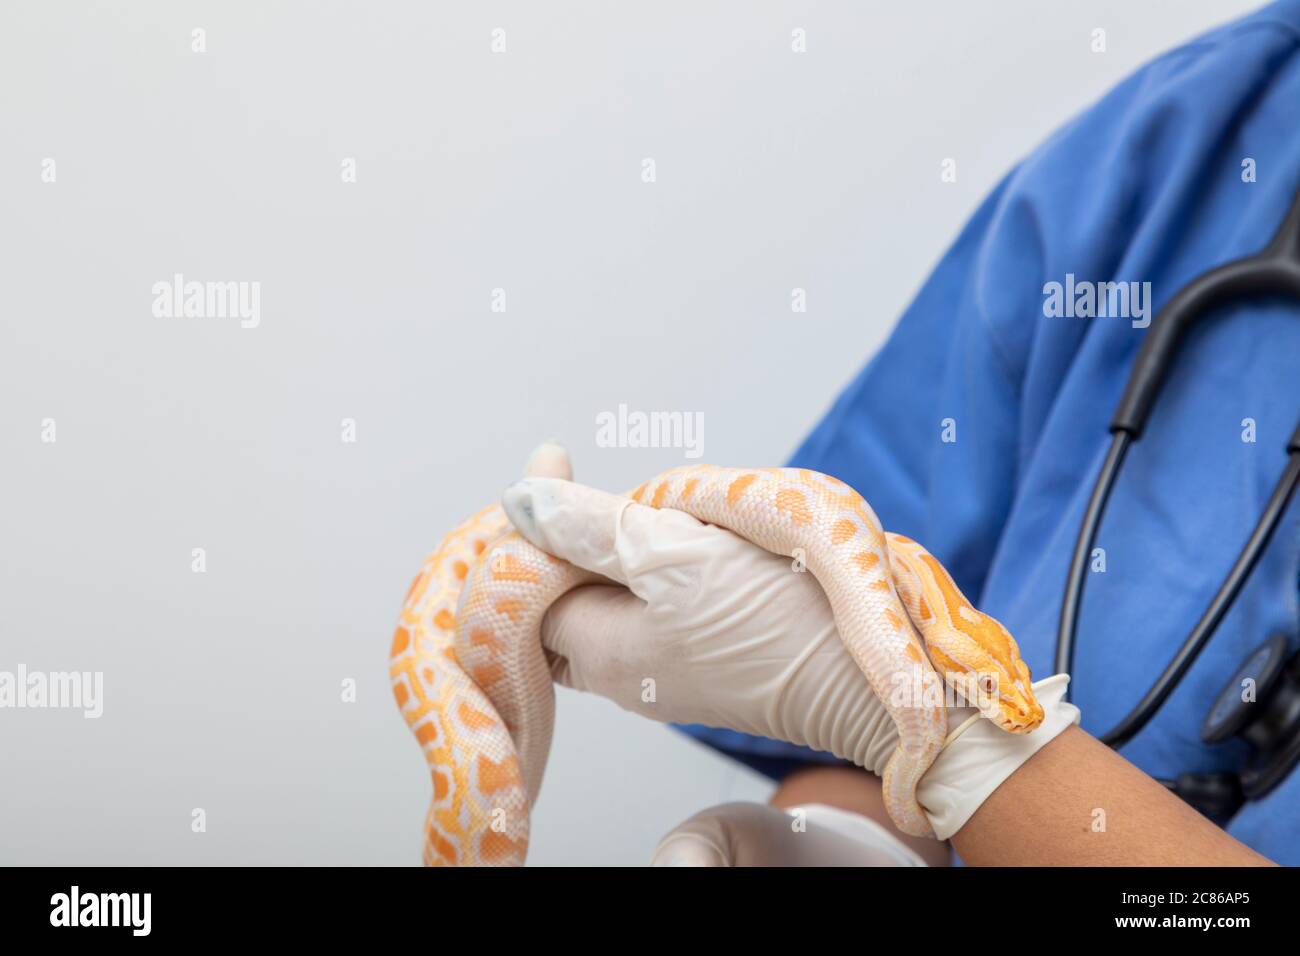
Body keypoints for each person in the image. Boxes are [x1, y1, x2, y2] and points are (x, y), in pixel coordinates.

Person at [504, 1, 1300, 865]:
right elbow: (839, 750)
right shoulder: (1199, 131)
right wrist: (841, 840)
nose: (1007, 705)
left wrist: (967, 749)